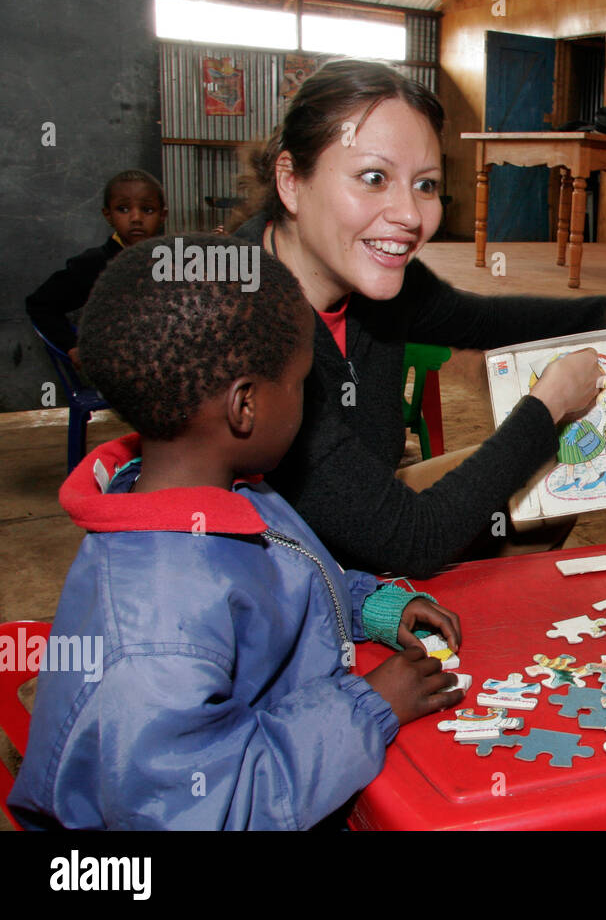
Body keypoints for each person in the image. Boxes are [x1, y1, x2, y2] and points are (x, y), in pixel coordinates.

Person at [8, 236, 464, 830]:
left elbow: (288, 582)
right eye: (302, 383)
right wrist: (367, 705)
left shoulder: (226, 491)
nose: (310, 403)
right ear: (245, 406)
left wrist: (372, 606)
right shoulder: (154, 635)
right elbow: (222, 811)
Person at [232, 58, 606, 578]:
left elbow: (481, 319)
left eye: (424, 185)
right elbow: (410, 541)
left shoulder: (373, 278)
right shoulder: (246, 321)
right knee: (537, 451)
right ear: (290, 181)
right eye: (373, 178)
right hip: (286, 571)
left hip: (368, 517)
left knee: (565, 470)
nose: (411, 216)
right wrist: (544, 408)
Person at [26, 169, 166, 366]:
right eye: (123, 209)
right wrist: (71, 345)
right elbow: (40, 304)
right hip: (120, 373)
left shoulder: (173, 261)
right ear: (108, 215)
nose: (136, 218)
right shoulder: (94, 264)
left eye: (148, 210)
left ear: (163, 215)